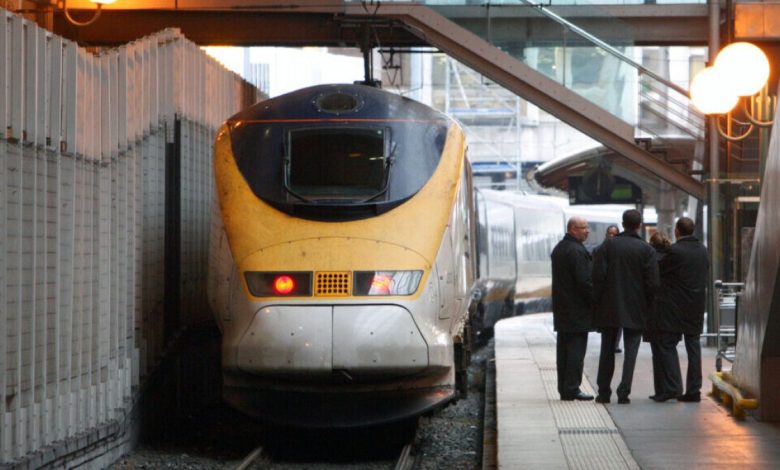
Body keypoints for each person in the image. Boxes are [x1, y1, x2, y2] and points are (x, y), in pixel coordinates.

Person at [592, 209, 659, 404]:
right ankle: (624, 392)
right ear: (639, 225)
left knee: (607, 350)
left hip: (609, 307)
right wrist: (647, 304)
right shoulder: (647, 250)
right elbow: (653, 283)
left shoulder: (608, 246)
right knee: (631, 352)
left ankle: (604, 392)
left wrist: (598, 302)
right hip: (636, 308)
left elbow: (598, 276)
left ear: (622, 223)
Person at [654, 217, 709, 402]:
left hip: (675, 307)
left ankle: (672, 387)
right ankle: (694, 390)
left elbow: (659, 269)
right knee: (693, 348)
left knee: (667, 345)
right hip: (696, 306)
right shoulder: (702, 250)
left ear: (677, 231)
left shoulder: (675, 251)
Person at [551, 216, 594, 401]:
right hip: (577, 310)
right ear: (572, 229)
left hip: (562, 309)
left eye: (587, 227)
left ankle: (564, 388)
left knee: (563, 352)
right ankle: (572, 388)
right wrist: (596, 300)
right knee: (576, 351)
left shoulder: (560, 248)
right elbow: (584, 282)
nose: (587, 231)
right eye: (583, 227)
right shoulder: (576, 251)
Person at [645, 231, 680, 402]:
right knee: (667, 348)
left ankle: (666, 388)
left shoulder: (652, 261)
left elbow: (650, 285)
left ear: (651, 244)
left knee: (660, 350)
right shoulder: (672, 259)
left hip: (656, 310)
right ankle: (669, 388)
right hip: (672, 309)